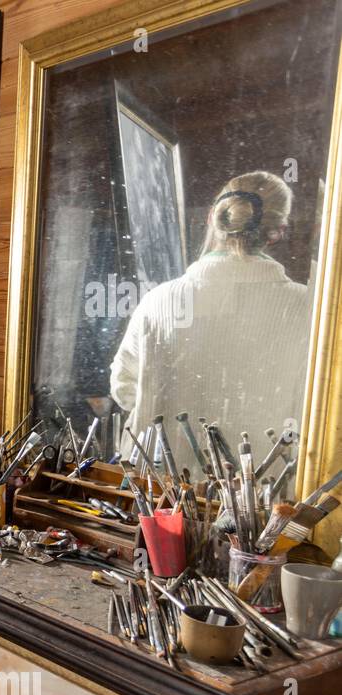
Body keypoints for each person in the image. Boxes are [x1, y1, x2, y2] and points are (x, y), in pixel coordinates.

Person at [111, 171, 312, 473]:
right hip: (267, 501)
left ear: (212, 218)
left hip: (160, 499)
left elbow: (124, 389)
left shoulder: (158, 302)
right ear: (278, 231)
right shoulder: (311, 309)